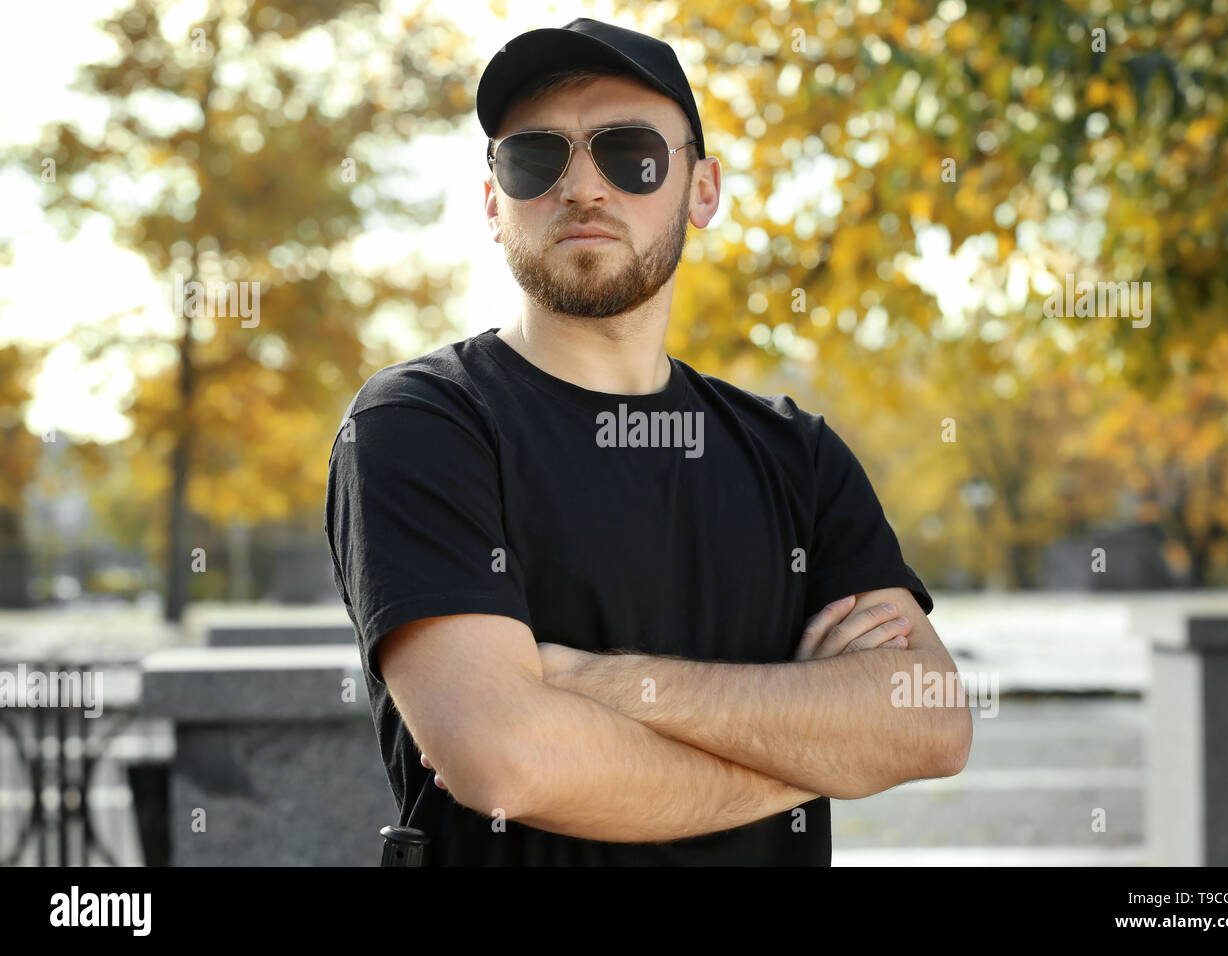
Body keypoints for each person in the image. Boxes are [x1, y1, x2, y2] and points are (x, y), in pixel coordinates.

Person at [325, 17, 971, 866]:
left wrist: (595, 682)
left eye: (629, 154)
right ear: (493, 203)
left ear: (702, 190)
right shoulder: (423, 426)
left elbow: (929, 721)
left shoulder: (797, 457)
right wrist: (815, 755)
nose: (582, 187)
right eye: (535, 157)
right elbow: (503, 760)